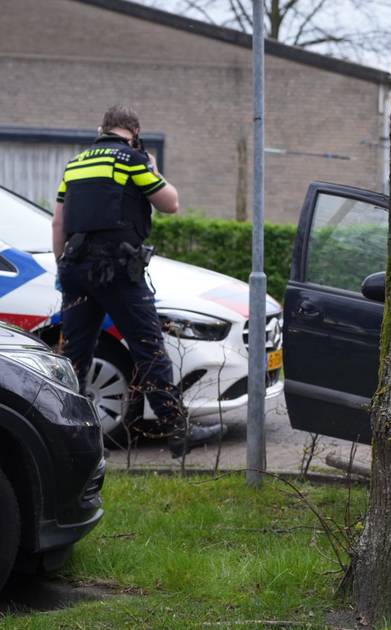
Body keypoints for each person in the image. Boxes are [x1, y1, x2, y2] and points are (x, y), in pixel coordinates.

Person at [52, 105, 226, 457]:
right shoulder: (132, 159)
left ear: (102, 129)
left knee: (74, 355)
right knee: (148, 347)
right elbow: (170, 203)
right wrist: (153, 169)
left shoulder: (76, 164)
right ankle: (177, 429)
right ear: (134, 133)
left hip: (75, 269)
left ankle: (67, 437)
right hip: (116, 270)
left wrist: (64, 270)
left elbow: (59, 223)